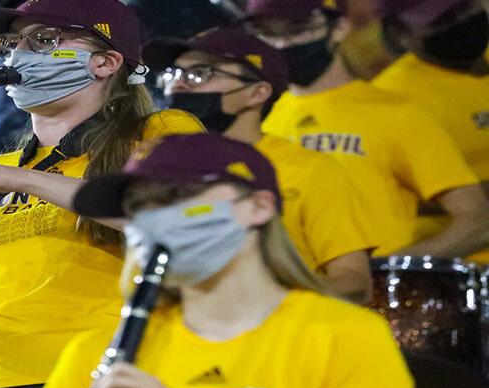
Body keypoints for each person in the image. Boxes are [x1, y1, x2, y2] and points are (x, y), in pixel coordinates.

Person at [18, 133, 425, 388]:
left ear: (259, 207)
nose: (155, 220)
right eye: (139, 208)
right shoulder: (94, 355)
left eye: (178, 199)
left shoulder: (342, 334)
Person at [0, 0, 204, 388]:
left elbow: (172, 222)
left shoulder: (163, 130)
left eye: (45, 41)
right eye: (10, 44)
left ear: (107, 62)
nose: (16, 56)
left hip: (106, 376)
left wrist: (13, 177)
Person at [146, 27, 375, 303]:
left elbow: (354, 281)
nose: (179, 85)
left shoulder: (309, 169)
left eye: (200, 74)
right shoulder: (151, 166)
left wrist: (266, 296)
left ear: (257, 93)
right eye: (173, 75)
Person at [245, 0, 489, 258]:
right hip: (310, 294)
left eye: (298, 28)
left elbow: (476, 222)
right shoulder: (270, 124)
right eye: (266, 32)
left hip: (397, 291)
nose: (282, 43)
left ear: (340, 27)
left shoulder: (395, 112)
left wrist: (385, 274)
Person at [373, 0, 489, 262]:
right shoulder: (390, 100)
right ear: (399, 33)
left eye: (463, 9)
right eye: (438, 20)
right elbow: (391, 196)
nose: (457, 23)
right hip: (461, 272)